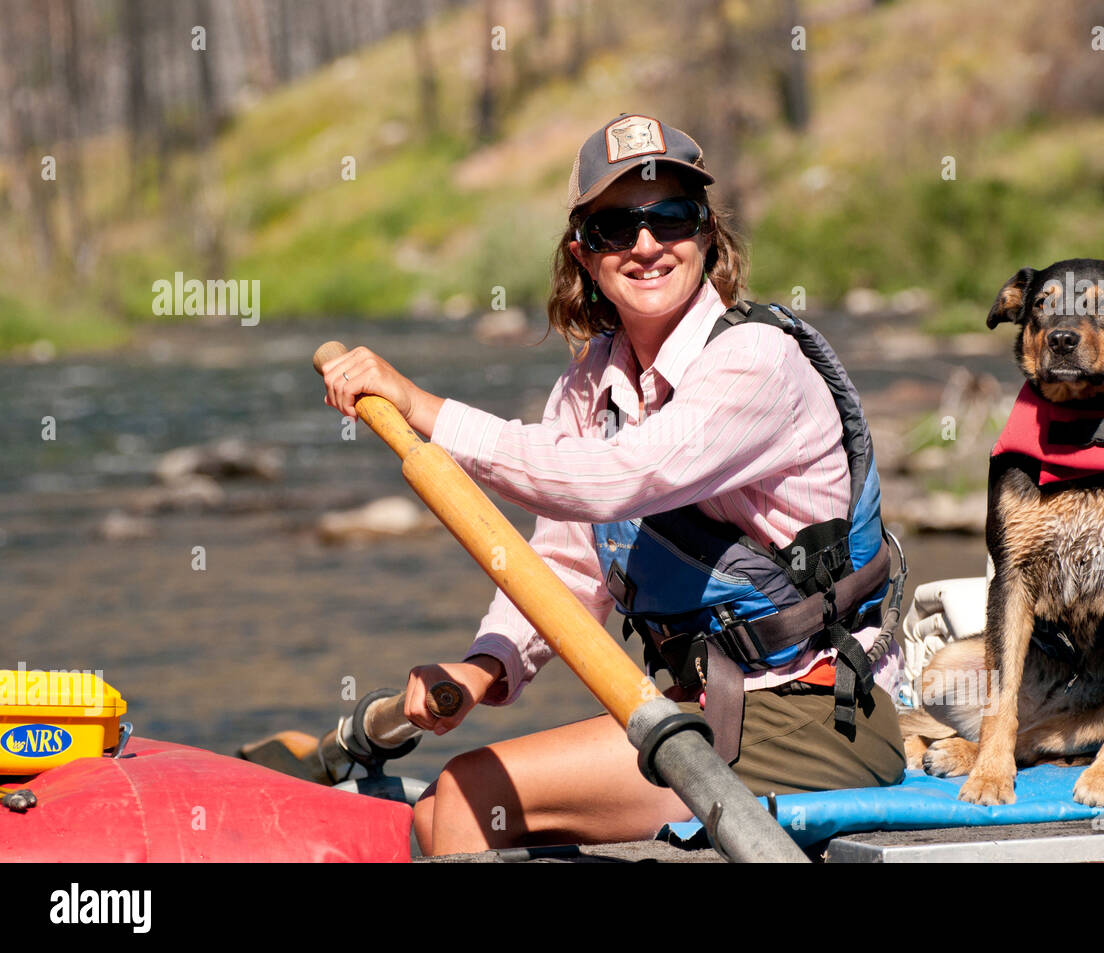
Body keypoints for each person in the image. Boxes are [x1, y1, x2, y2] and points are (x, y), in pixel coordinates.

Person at [321, 114, 905, 857]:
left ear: (707, 233)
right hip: (693, 712)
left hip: (817, 716)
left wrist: (424, 408)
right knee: (440, 809)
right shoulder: (591, 381)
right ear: (583, 253)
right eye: (614, 227)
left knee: (469, 796)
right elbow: (566, 562)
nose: (647, 244)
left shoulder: (757, 360)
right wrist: (486, 664)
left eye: (672, 216)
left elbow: (617, 480)